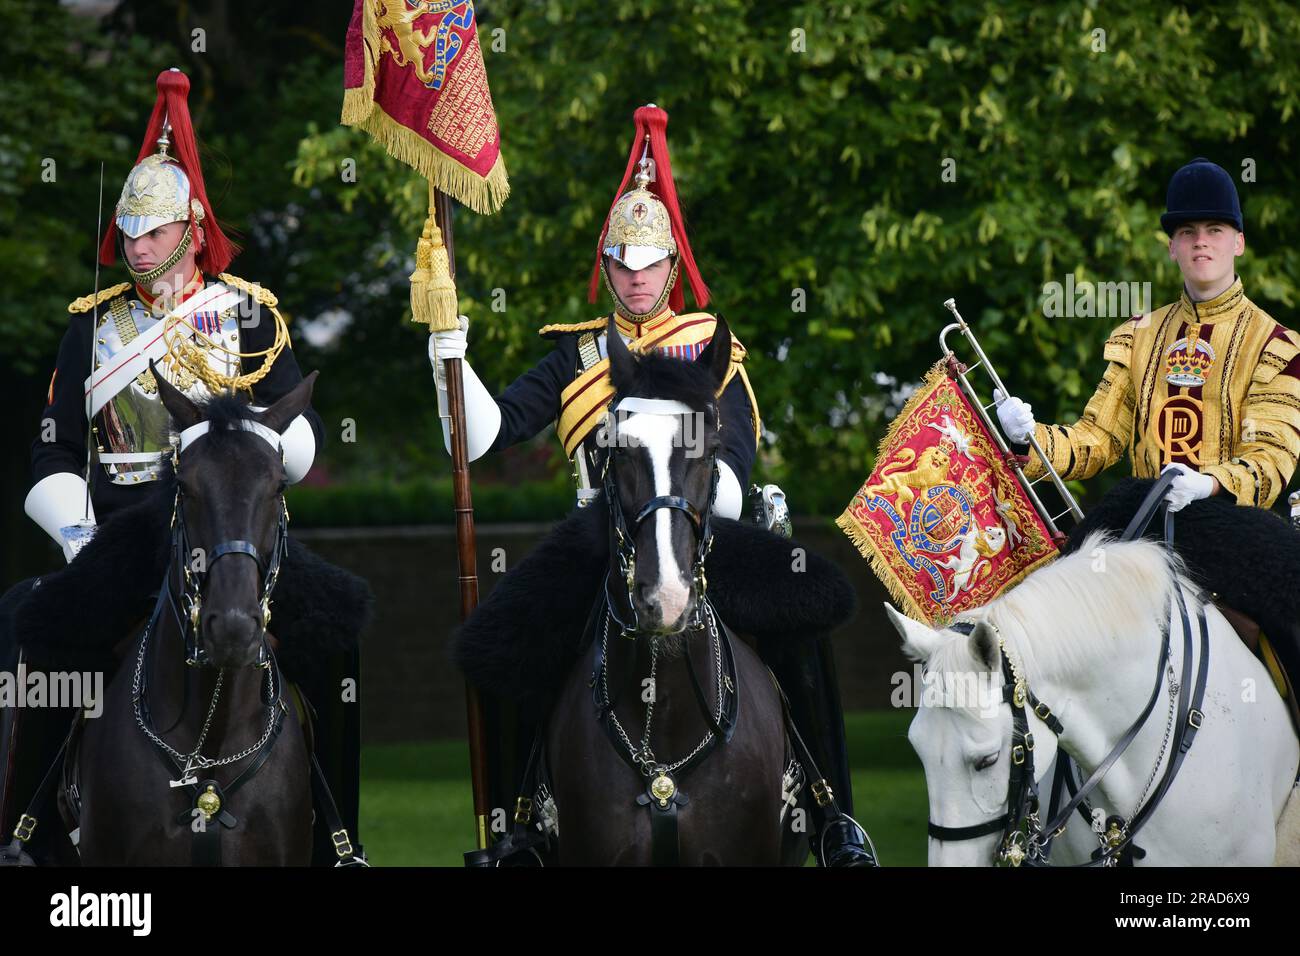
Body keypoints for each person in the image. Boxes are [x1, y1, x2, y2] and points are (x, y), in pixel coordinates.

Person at [432, 105, 874, 865]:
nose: (637, 280)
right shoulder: (576, 354)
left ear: (672, 267)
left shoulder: (707, 345)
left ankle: (834, 812)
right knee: (501, 637)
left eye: (650, 265)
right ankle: (523, 826)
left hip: (705, 524)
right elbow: (486, 434)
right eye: (623, 265)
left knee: (807, 609)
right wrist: (448, 346)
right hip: (601, 534)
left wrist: (699, 503)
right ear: (606, 268)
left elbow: (733, 458)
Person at [0, 68, 368, 866]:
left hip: (234, 525)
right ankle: (24, 831)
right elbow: (54, 451)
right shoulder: (90, 331)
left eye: (153, 233)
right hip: (124, 530)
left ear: (191, 230)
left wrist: (272, 458)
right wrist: (74, 533)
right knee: (38, 632)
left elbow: (294, 436)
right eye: (129, 233)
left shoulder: (247, 313)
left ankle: (340, 839)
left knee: (337, 632)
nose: (136, 247)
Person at [994, 156, 1300, 682]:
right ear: (1172, 246)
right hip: (1145, 530)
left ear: (1239, 242)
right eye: (1188, 231)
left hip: (1232, 524)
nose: (1201, 241)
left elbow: (1274, 457)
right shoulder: (1137, 336)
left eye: (1215, 229)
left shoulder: (1275, 344)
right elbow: (1096, 441)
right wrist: (1028, 438)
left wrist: (1209, 484)